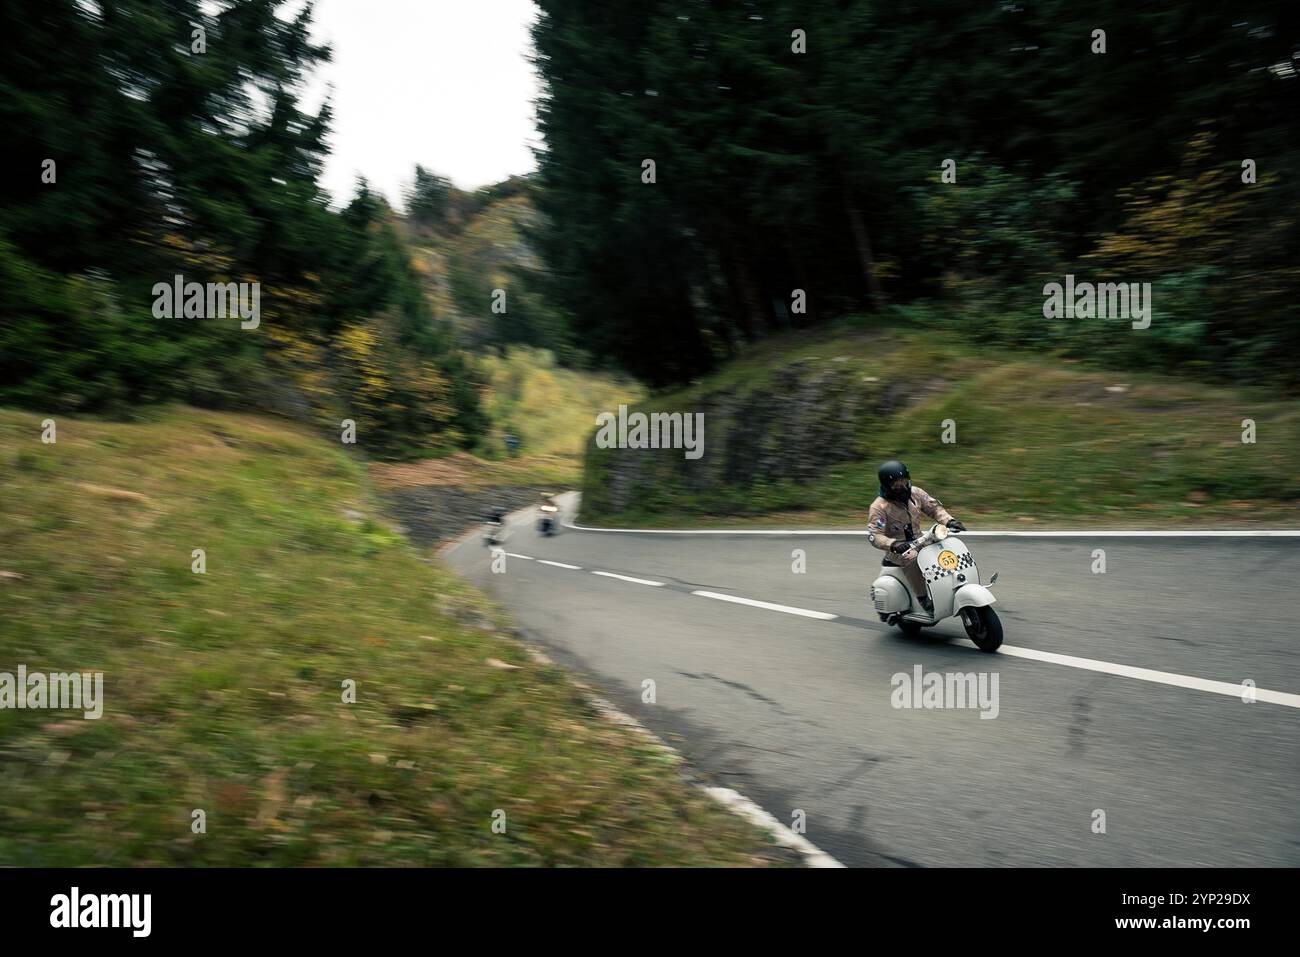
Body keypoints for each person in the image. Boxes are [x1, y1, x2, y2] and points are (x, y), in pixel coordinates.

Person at [867, 459, 966, 614]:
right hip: (898, 550)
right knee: (912, 558)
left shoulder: (915, 493)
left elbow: (933, 508)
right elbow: (875, 535)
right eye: (897, 484)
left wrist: (949, 521)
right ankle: (922, 598)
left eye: (904, 481)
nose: (902, 486)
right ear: (887, 485)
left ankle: (954, 585)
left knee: (942, 547)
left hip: (921, 540)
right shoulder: (879, 507)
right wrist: (893, 544)